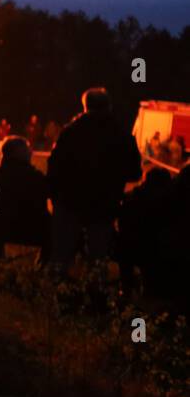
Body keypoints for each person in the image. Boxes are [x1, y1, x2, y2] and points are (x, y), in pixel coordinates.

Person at [46, 87, 142, 270]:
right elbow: (135, 172)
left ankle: (56, 286)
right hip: (104, 203)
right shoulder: (122, 136)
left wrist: (54, 195)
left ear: (85, 106)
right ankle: (96, 286)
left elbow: (54, 166)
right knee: (98, 254)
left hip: (70, 201)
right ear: (109, 107)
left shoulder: (70, 133)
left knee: (62, 253)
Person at [0, 136, 50, 263]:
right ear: (21, 154)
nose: (31, 152)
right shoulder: (37, 178)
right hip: (35, 230)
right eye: (28, 150)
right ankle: (42, 264)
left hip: (2, 228)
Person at [116, 167, 175, 290]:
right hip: (156, 250)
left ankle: (127, 287)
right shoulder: (169, 204)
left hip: (131, 248)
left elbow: (122, 224)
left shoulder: (131, 199)